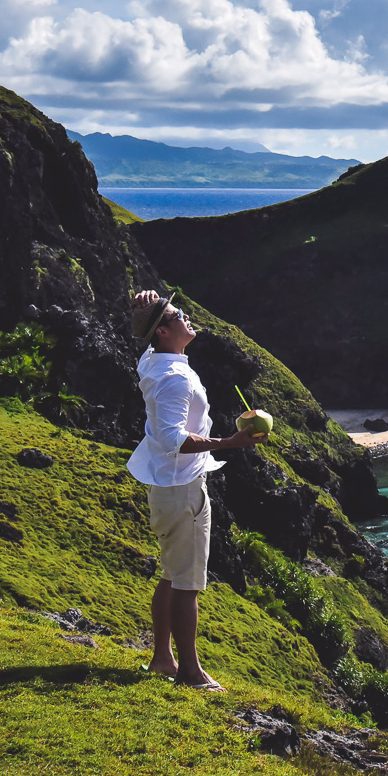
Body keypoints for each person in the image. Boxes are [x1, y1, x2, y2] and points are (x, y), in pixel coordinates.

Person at [127, 290, 257, 691]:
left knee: (171, 575)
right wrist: (229, 443)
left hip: (168, 486)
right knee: (187, 584)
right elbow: (173, 438)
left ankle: (162, 659)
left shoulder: (154, 362)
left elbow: (146, 341)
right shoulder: (173, 379)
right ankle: (190, 672)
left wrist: (143, 306)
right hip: (183, 490)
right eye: (176, 314)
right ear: (163, 332)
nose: (186, 316)